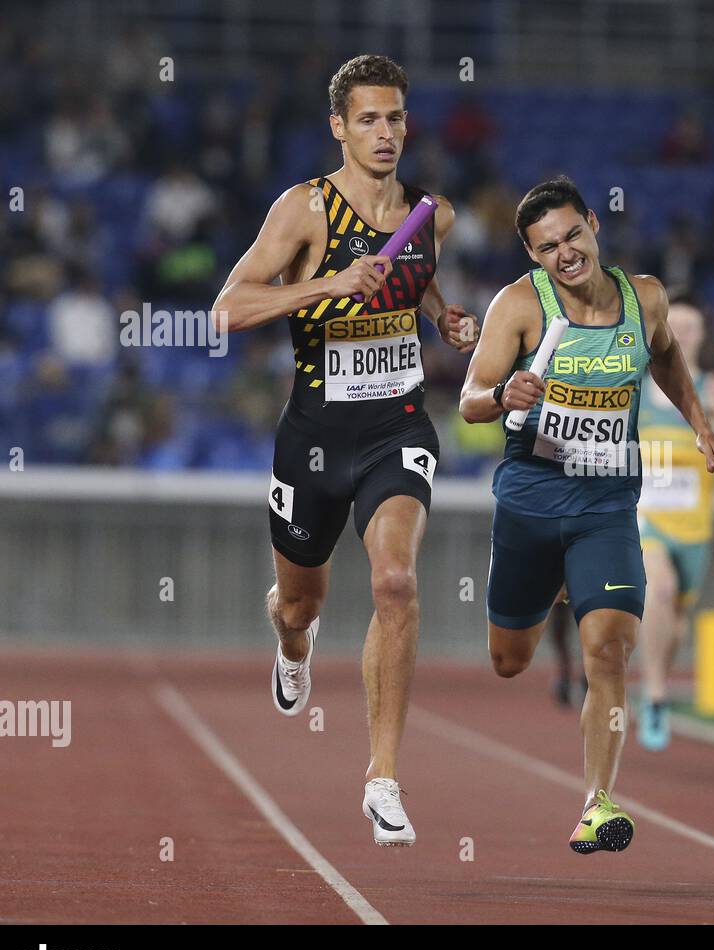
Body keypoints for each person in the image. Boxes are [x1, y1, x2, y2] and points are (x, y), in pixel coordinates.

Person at [211, 54, 478, 847]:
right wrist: (327, 286)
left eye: (395, 117)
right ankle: (291, 641)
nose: (386, 132)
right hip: (314, 439)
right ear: (339, 127)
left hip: (397, 428)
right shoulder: (304, 210)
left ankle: (383, 779)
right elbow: (227, 310)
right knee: (303, 603)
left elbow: (418, 280)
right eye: (368, 119)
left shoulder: (435, 215)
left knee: (395, 581)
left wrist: (444, 320)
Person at [459, 176, 714, 853]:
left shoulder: (647, 298)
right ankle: (547, 583)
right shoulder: (519, 305)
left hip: (607, 505)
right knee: (508, 659)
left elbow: (665, 353)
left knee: (608, 650)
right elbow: (468, 401)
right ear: (532, 254)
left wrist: (699, 423)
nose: (565, 253)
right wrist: (503, 392)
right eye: (547, 247)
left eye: (573, 235)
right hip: (530, 499)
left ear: (593, 226)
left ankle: (597, 802)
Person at [634, 292, 714, 750]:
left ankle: (657, 678)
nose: (683, 336)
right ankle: (654, 695)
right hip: (645, 521)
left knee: (676, 625)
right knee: (659, 588)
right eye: (676, 327)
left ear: (703, 336)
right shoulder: (636, 385)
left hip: (695, 529)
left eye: (691, 329)